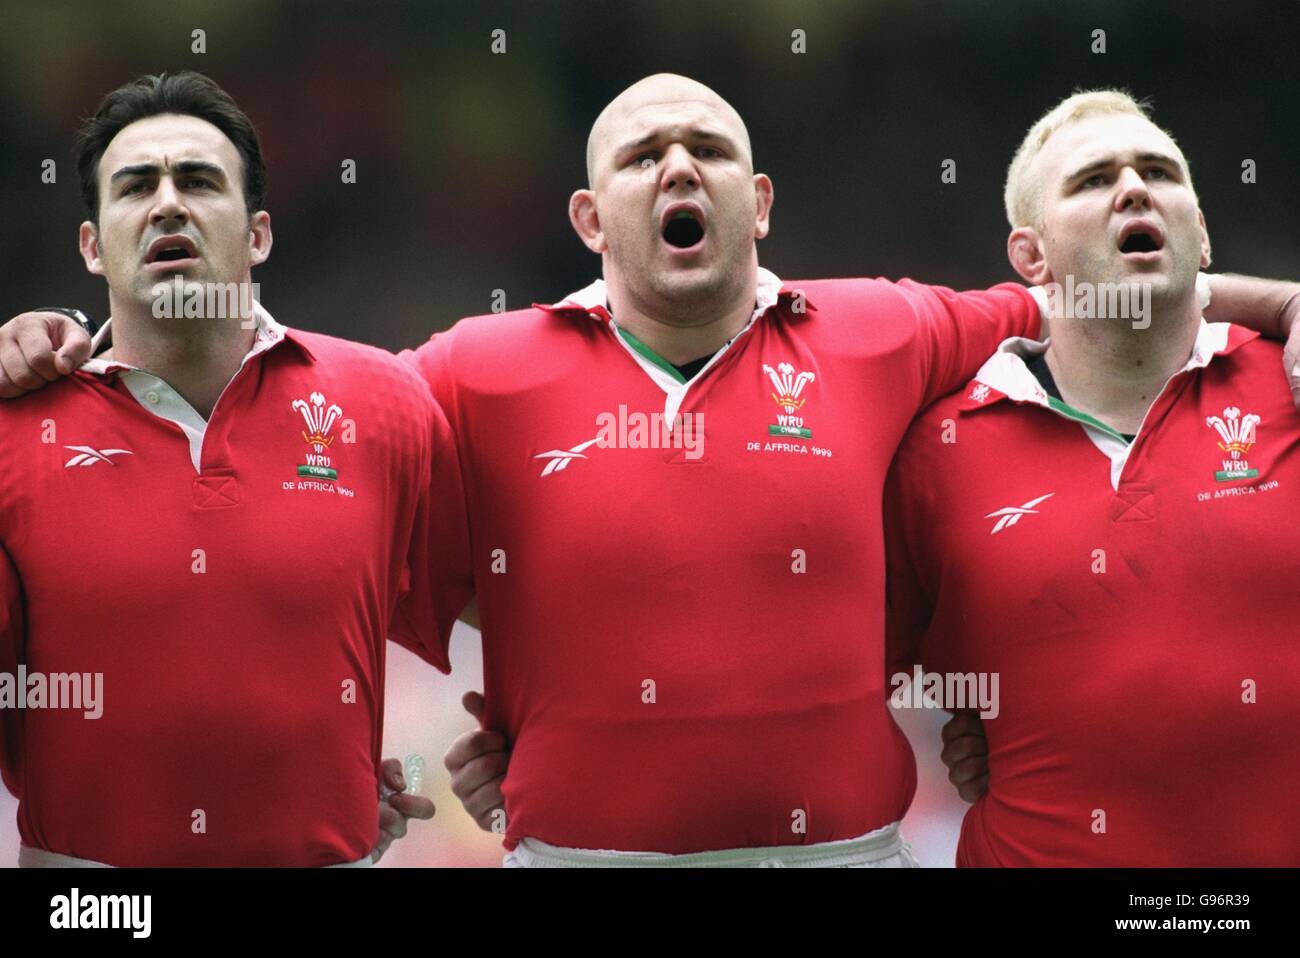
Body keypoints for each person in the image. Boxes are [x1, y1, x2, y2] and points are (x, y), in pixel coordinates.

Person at [5, 75, 1297, 867]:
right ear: (589, 217)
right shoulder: (460, 370)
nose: (679, 168)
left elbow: (1074, 296)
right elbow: (292, 469)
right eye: (640, 155)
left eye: (710, 150)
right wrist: (75, 347)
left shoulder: (886, 328)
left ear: (762, 199)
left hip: (844, 861)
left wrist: (1259, 305)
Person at [0, 71, 469, 866]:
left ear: (257, 235)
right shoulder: (14, 429)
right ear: (92, 246)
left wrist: (430, 768)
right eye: (136, 185)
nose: (168, 203)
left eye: (199, 180)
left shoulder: (386, 404)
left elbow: (520, 614)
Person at [882, 90, 1300, 865]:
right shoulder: (933, 451)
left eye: (1159, 172)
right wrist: (972, 708)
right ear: (1030, 257)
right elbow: (832, 668)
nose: (1135, 188)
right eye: (1092, 179)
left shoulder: (1292, 386)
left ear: (1201, 234)